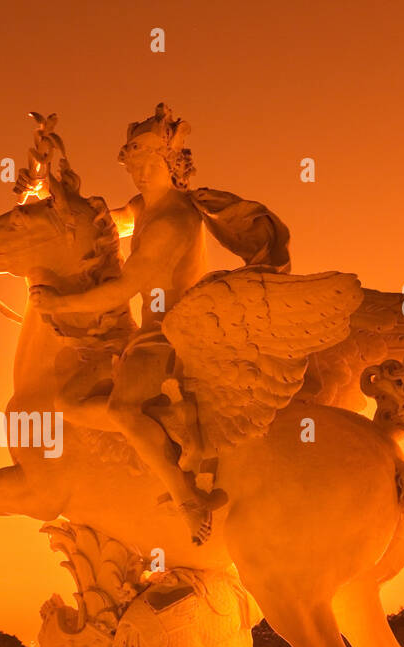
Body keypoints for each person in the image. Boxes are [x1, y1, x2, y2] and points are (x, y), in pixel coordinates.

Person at [28, 104, 290, 541]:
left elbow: (124, 287)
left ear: (170, 164)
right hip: (144, 335)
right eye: (135, 164)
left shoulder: (172, 220)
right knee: (70, 403)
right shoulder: (143, 208)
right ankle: (165, 433)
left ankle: (189, 498)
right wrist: (44, 194)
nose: (141, 172)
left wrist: (61, 304)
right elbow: (103, 225)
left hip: (169, 338)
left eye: (150, 163)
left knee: (122, 409)